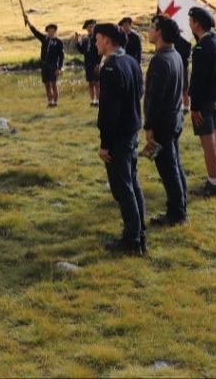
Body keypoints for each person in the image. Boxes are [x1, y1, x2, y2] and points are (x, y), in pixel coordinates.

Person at [93, 23, 145, 256]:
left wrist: (105, 144)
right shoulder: (131, 61)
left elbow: (109, 110)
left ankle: (132, 240)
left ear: (106, 40)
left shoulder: (111, 67)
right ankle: (138, 230)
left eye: (97, 38)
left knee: (122, 188)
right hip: (132, 131)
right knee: (132, 183)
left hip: (119, 136)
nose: (95, 43)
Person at [143, 16, 187, 226]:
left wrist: (149, 126)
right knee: (175, 165)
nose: (149, 31)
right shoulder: (175, 55)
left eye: (152, 27)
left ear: (159, 32)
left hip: (163, 123)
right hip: (175, 119)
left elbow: (155, 97)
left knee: (168, 170)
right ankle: (180, 207)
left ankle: (176, 214)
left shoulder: (160, 60)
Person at [187, 7, 216, 198]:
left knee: (209, 145)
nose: (189, 23)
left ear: (196, 24)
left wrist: (194, 107)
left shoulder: (202, 47)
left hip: (204, 101)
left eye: (191, 20)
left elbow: (198, 79)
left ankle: (213, 186)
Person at [26, 15, 65, 107]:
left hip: (53, 66)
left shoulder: (59, 42)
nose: (50, 32)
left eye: (52, 30)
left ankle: (55, 102)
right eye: (49, 30)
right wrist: (28, 22)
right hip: (44, 66)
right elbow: (35, 32)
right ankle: (50, 102)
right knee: (47, 85)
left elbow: (61, 56)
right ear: (47, 31)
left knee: (54, 84)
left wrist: (59, 68)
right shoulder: (44, 39)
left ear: (55, 31)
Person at [72, 20, 101, 106]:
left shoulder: (98, 38)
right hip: (88, 64)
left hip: (96, 63)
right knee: (91, 83)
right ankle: (93, 101)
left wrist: (98, 64)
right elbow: (82, 51)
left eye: (92, 26)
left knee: (97, 83)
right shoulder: (85, 39)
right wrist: (77, 42)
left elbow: (100, 53)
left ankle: (99, 101)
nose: (90, 28)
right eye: (89, 27)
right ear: (86, 29)